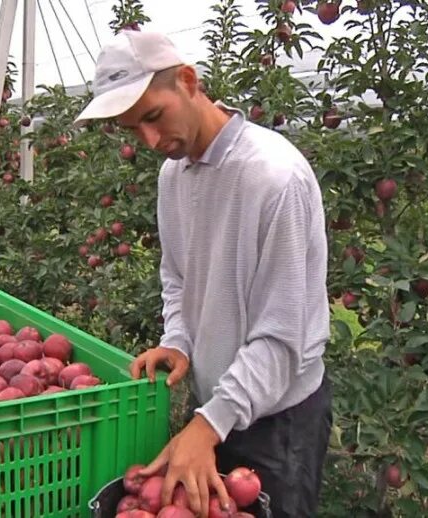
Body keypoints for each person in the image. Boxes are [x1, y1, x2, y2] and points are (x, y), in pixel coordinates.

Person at [75, 31, 333, 518]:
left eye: (153, 116)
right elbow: (178, 277)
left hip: (279, 425)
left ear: (189, 82)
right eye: (133, 129)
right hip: (217, 413)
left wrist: (208, 424)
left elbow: (283, 338)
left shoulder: (275, 178)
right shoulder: (174, 175)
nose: (149, 141)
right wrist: (179, 341)